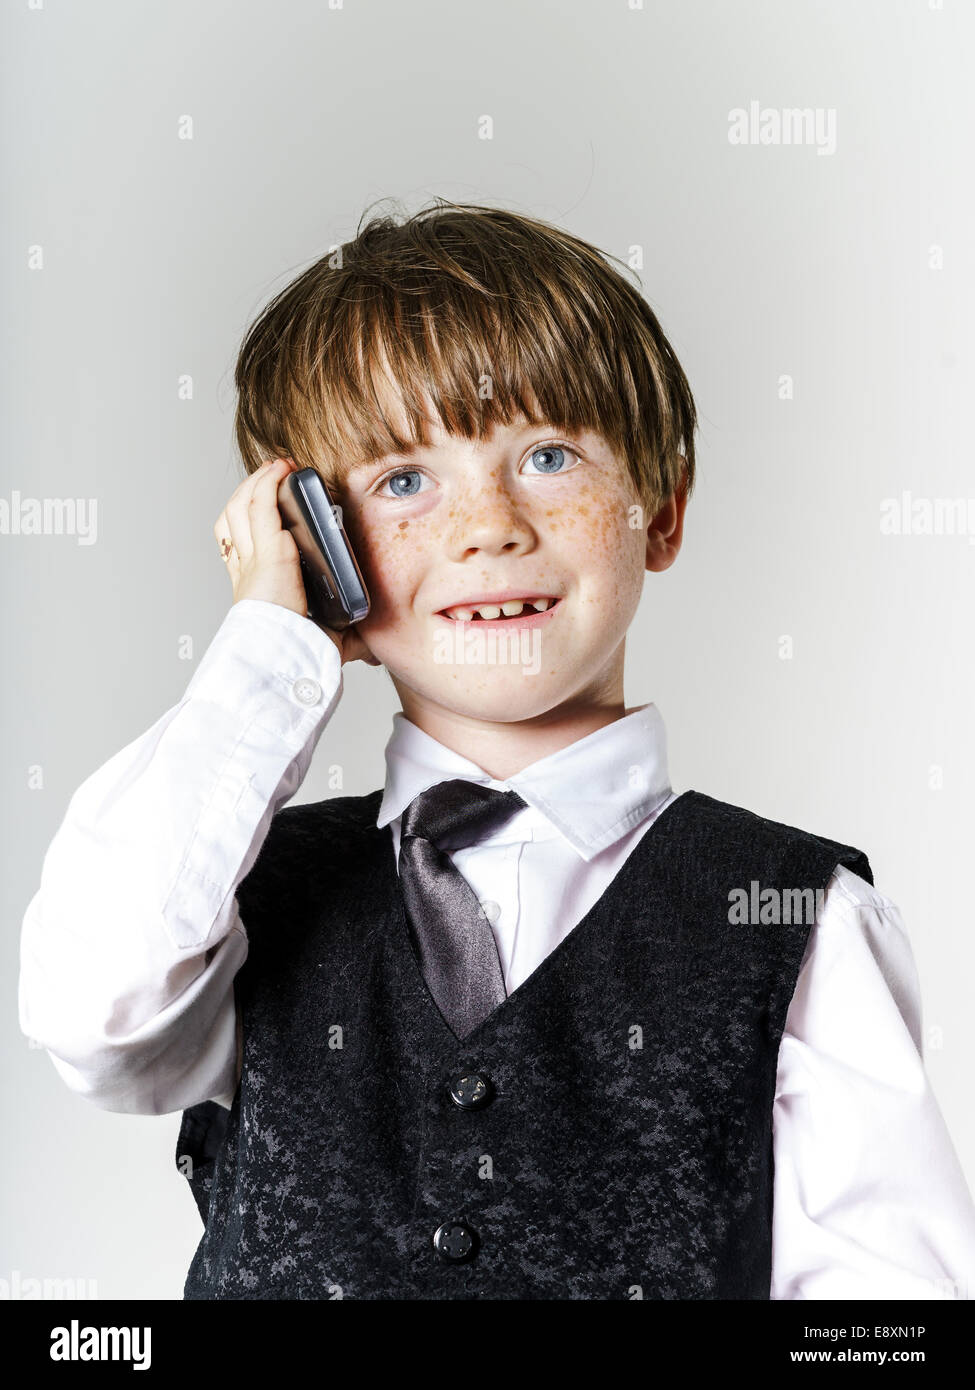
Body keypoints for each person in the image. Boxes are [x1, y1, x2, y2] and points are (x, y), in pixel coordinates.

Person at [18, 200, 975, 1300]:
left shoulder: (794, 913)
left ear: (658, 511)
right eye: (403, 482)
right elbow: (93, 1012)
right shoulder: (228, 900)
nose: (491, 525)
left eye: (550, 455)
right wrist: (269, 653)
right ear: (321, 554)